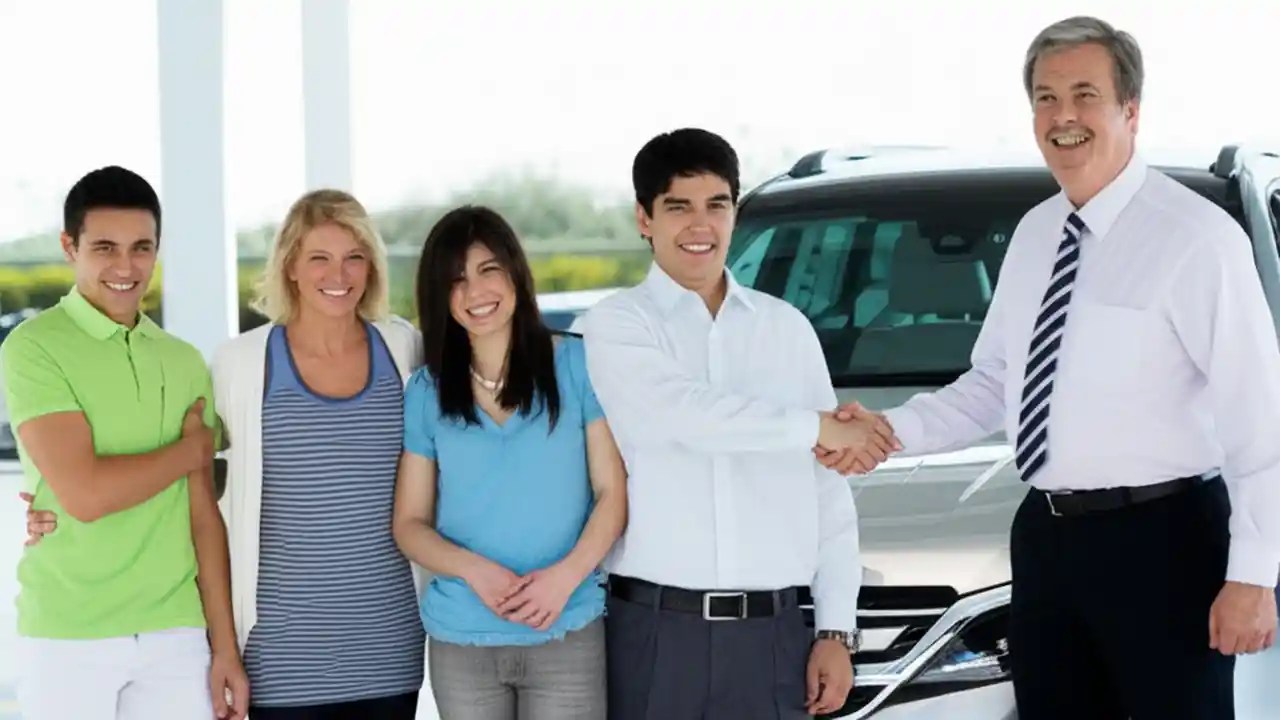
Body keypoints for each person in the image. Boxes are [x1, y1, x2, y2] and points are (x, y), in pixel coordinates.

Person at [828, 16, 1280, 720]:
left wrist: (1252, 576)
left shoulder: (1197, 240)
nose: (1062, 116)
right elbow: (995, 384)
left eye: (1083, 94)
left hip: (1165, 541)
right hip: (1045, 539)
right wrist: (886, 431)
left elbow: (1260, 415)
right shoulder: (1037, 234)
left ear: (1130, 109)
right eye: (1045, 97)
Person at [24, 188, 428, 718]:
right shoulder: (240, 363)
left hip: (388, 642)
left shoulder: (403, 349)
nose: (340, 274)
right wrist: (61, 495)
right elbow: (201, 481)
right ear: (289, 267)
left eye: (355, 257)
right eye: (320, 258)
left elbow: (445, 459)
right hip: (278, 648)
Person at [579, 128, 898, 720]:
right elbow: (684, 415)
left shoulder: (787, 329)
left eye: (716, 205)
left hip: (772, 638)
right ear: (644, 219)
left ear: (733, 213)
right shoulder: (616, 324)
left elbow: (827, 491)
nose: (700, 226)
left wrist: (836, 628)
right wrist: (818, 427)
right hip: (653, 633)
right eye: (678, 207)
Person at [2, 166, 249, 720]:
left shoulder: (183, 361)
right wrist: (189, 454)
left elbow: (202, 516)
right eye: (105, 248)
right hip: (69, 634)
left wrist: (224, 647)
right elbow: (85, 496)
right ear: (70, 246)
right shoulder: (33, 348)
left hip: (177, 635)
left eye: (142, 248)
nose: (125, 267)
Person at [393, 205, 627, 720]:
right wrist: (474, 570)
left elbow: (612, 494)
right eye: (456, 280)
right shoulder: (426, 392)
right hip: (462, 641)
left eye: (488, 270)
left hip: (567, 629)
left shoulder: (576, 365)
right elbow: (408, 524)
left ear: (515, 272)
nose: (475, 292)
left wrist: (564, 578)